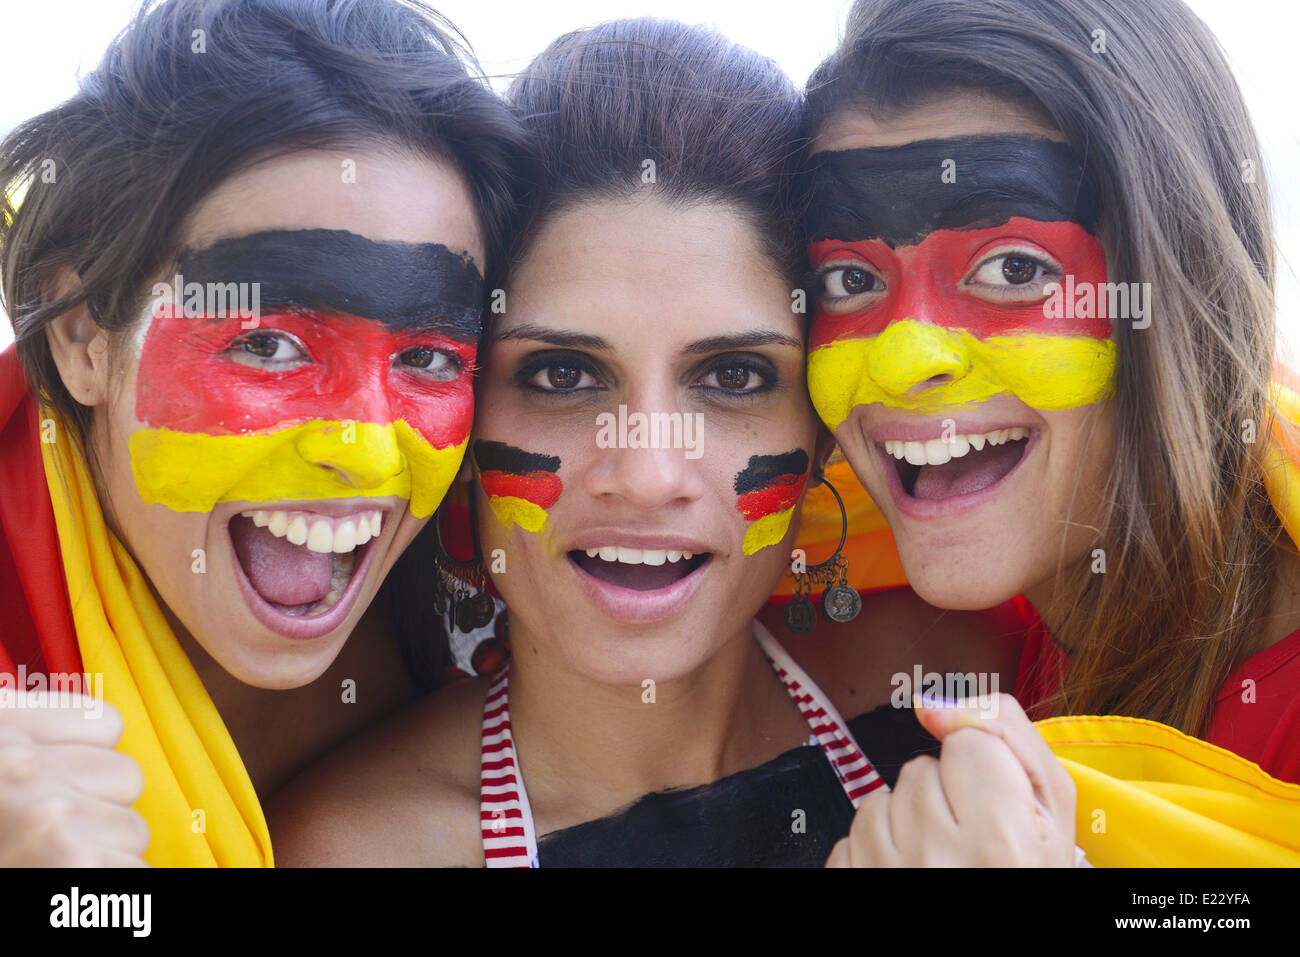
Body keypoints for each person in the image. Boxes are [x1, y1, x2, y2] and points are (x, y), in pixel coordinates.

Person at [268, 18, 1074, 868]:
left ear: (821, 432)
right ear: (463, 420)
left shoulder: (972, 685)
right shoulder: (343, 848)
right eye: (562, 375)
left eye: (731, 377)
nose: (649, 475)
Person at [0, 0, 524, 866]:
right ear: (85, 335)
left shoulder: (526, 597)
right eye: (268, 343)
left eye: (430, 360)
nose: (363, 450)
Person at [799, 0, 1300, 865]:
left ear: (1183, 288)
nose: (905, 354)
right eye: (849, 278)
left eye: (1014, 268)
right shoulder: (925, 604)